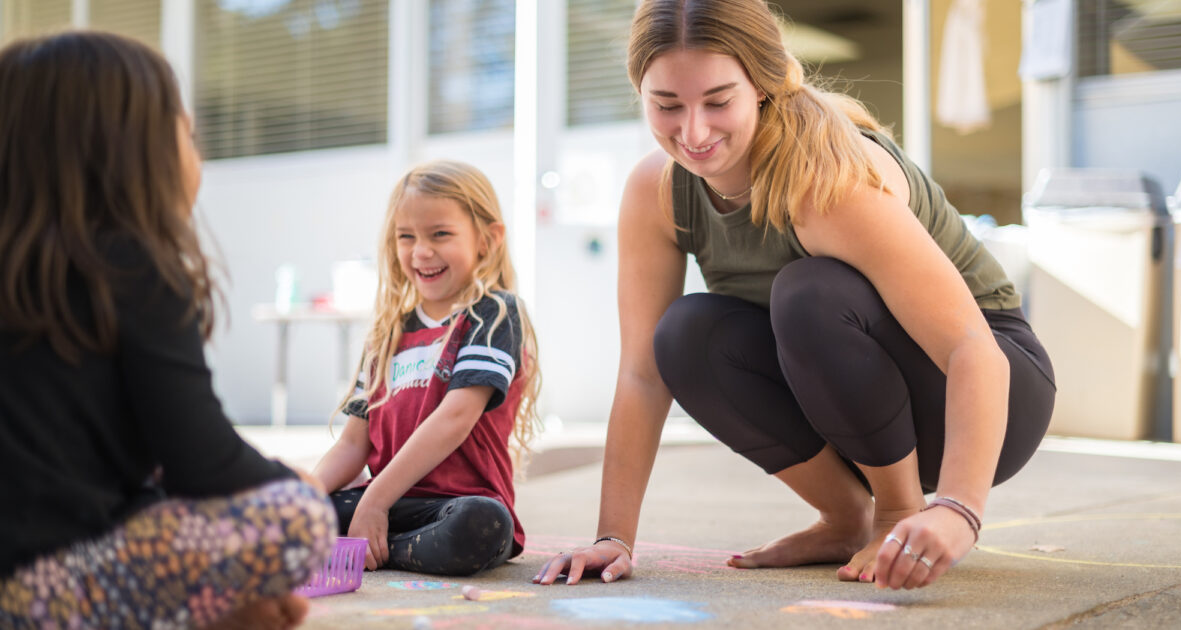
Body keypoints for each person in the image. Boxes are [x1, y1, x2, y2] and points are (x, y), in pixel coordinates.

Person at [534, 0, 1055, 591]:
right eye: (667, 105)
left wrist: (959, 508)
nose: (694, 131)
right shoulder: (655, 190)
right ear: (641, 92)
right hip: (858, 406)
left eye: (718, 100)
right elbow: (642, 377)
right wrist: (612, 538)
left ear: (762, 84)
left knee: (809, 293)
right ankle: (846, 516)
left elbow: (971, 348)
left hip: (987, 391)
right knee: (685, 334)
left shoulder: (823, 179)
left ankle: (897, 512)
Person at [0, 31, 337, 629]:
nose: (196, 153)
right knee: (301, 513)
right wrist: (297, 479)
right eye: (189, 134)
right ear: (132, 155)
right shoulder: (130, 266)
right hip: (44, 589)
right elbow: (203, 462)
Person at [311, 160, 540, 576]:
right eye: (406, 237)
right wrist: (305, 495)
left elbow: (455, 417)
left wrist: (375, 502)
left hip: (455, 505)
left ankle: (373, 549)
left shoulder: (493, 314)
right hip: (389, 501)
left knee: (482, 526)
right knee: (304, 512)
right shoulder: (387, 333)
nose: (421, 251)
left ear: (488, 240)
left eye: (441, 234)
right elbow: (352, 445)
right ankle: (372, 542)